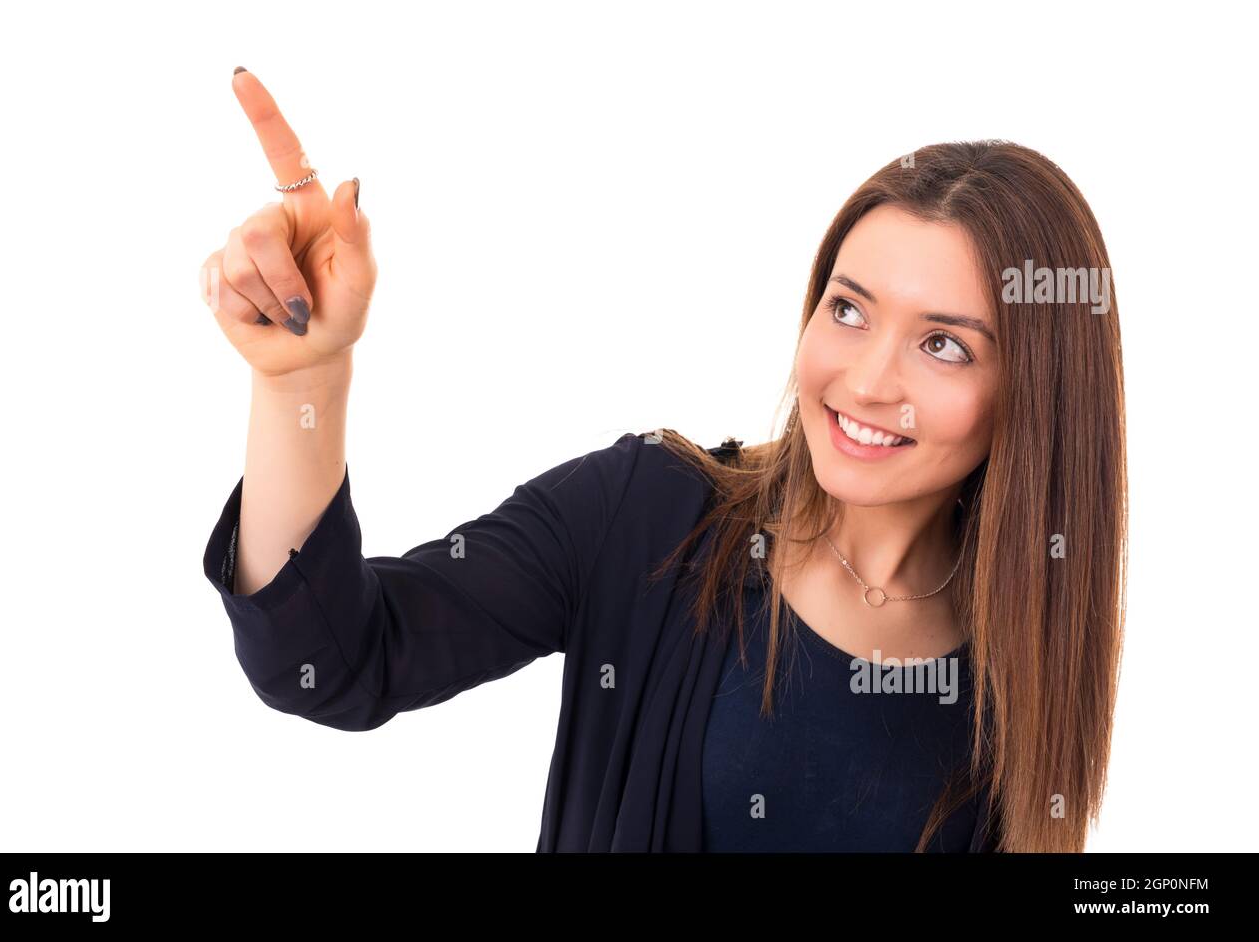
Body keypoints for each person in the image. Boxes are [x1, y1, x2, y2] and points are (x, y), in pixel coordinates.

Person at [200, 69, 1127, 852]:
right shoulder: (646, 514)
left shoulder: (1029, 654)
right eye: (849, 309)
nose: (868, 380)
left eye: (945, 346)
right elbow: (328, 661)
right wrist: (303, 380)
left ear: (1036, 398)